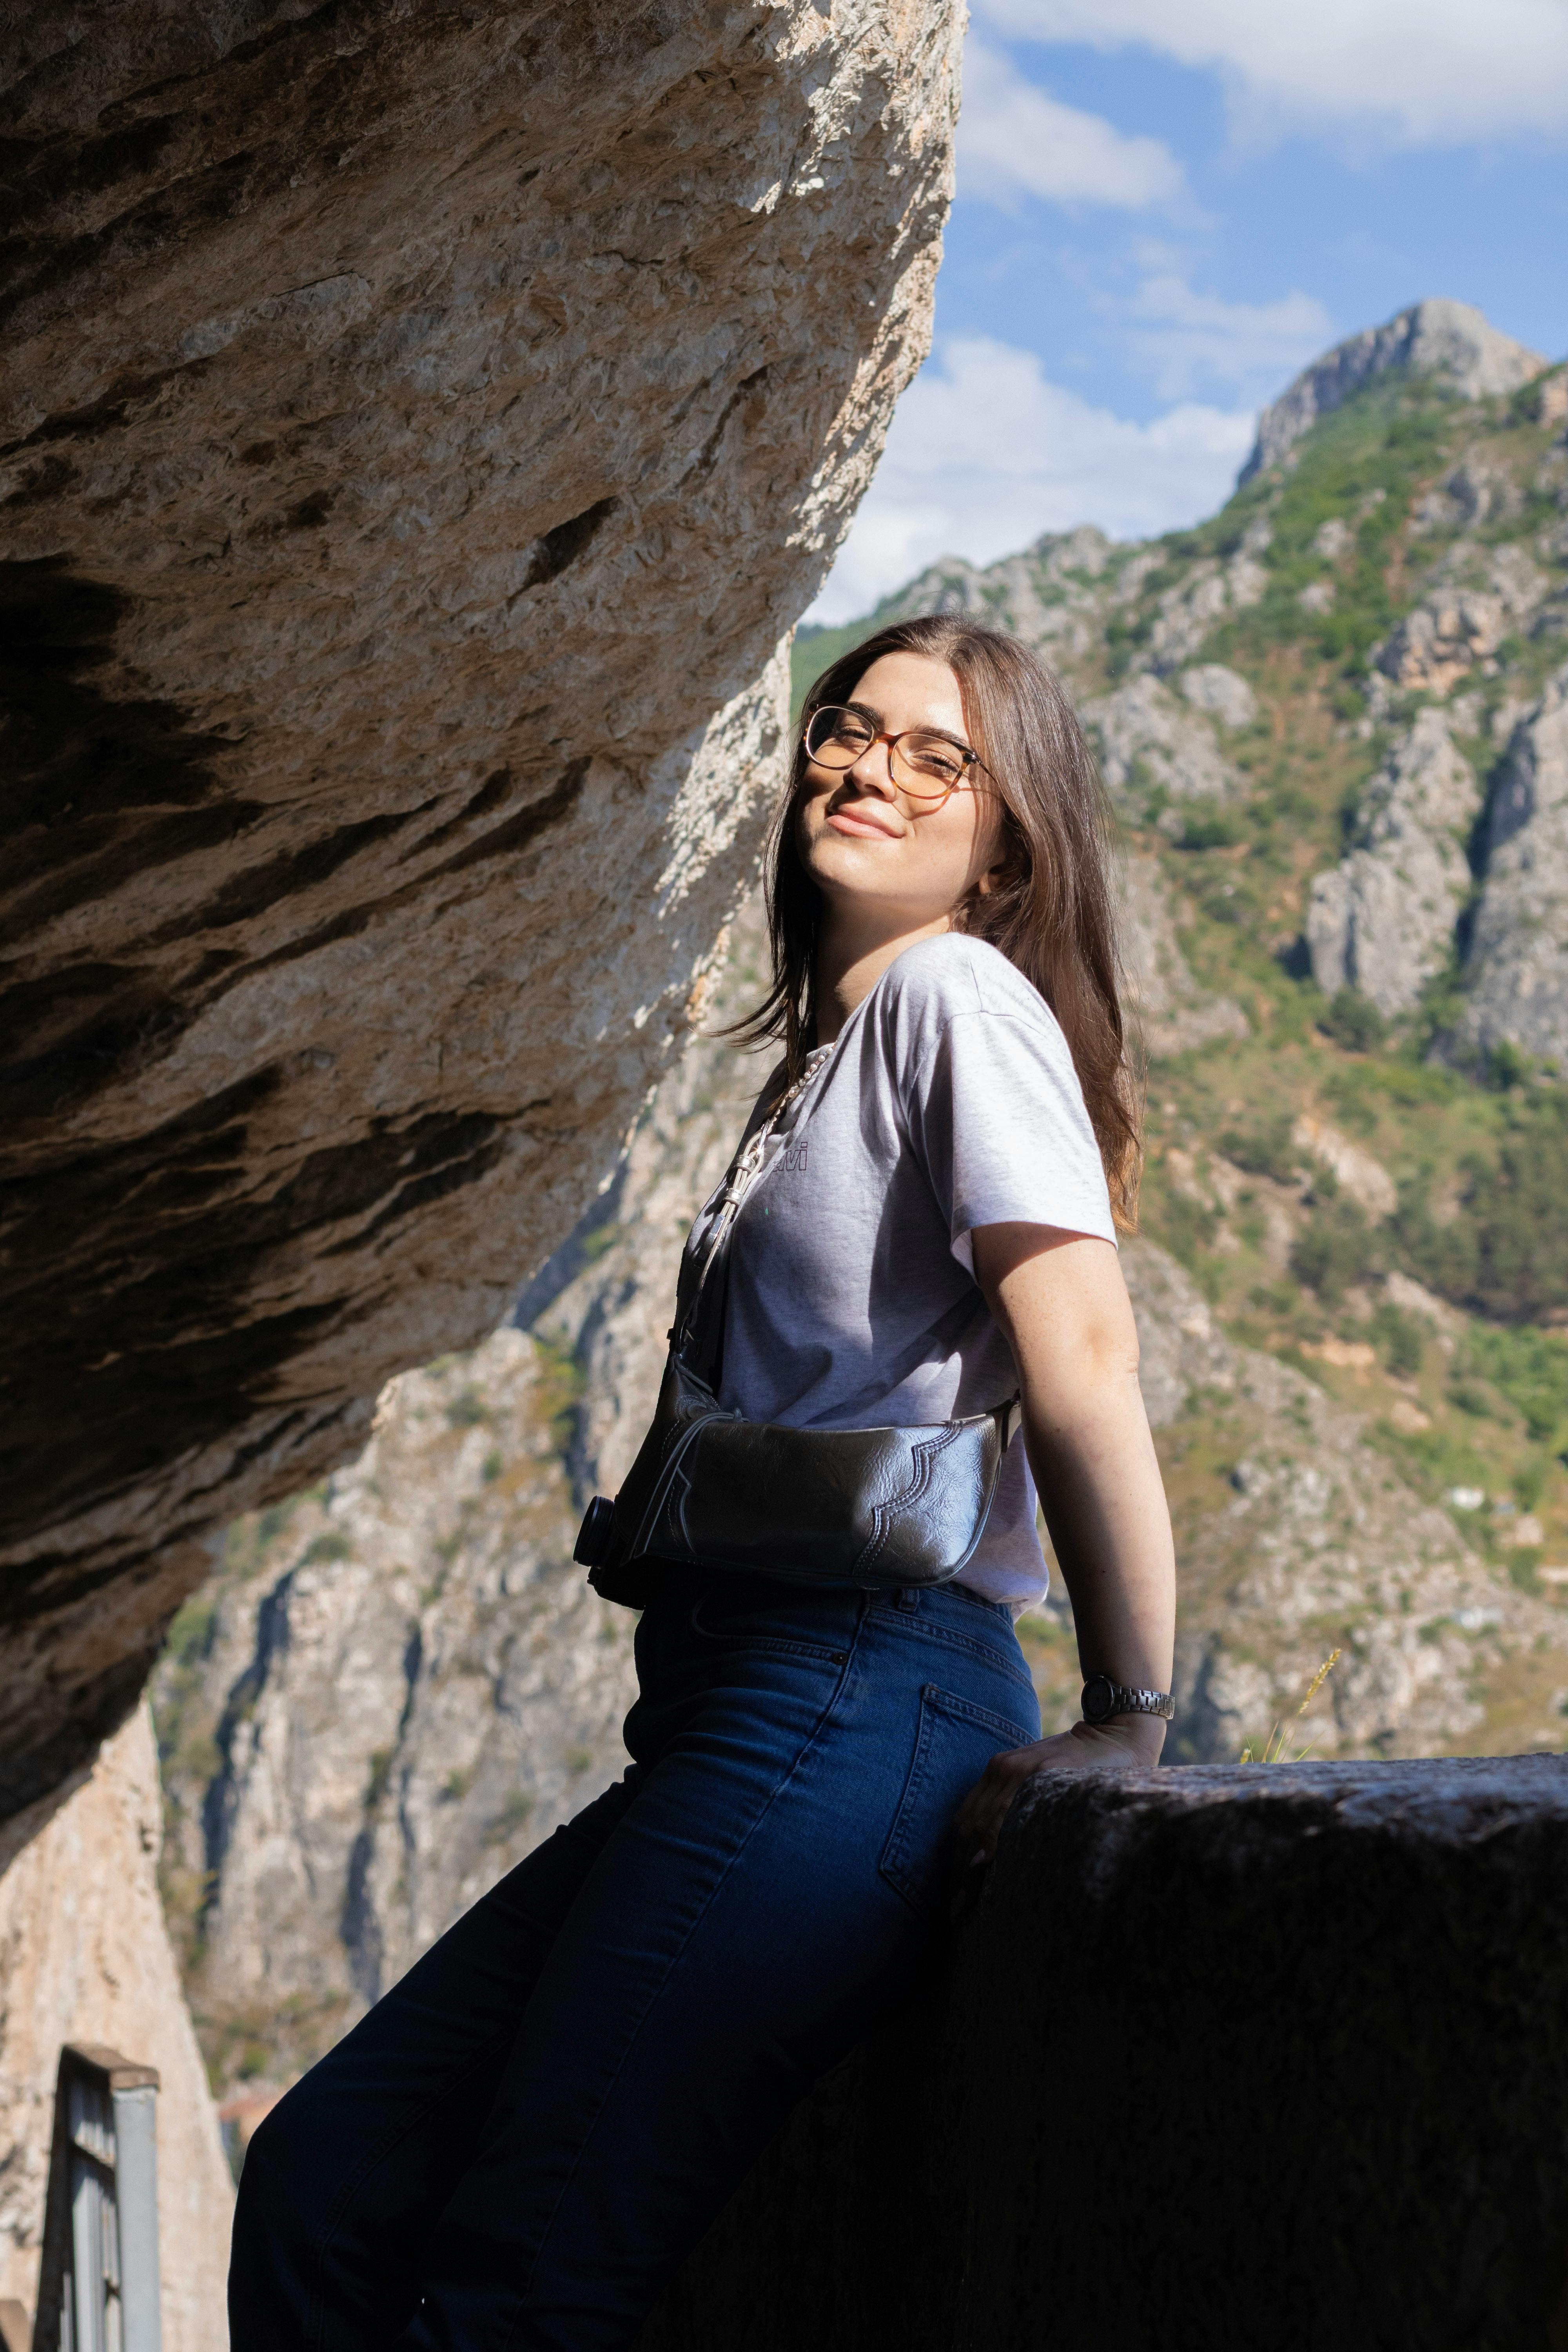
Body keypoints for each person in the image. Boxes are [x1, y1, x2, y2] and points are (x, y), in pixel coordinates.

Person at [228, 614, 1177, 2349]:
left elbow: (1086, 1357)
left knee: (533, 2267)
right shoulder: (819, 1059)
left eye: (934, 758)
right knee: (331, 2176)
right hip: (728, 1701)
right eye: (848, 725)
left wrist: (1130, 1707)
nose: (866, 767)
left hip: (856, 1691)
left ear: (1007, 838)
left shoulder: (964, 1000)